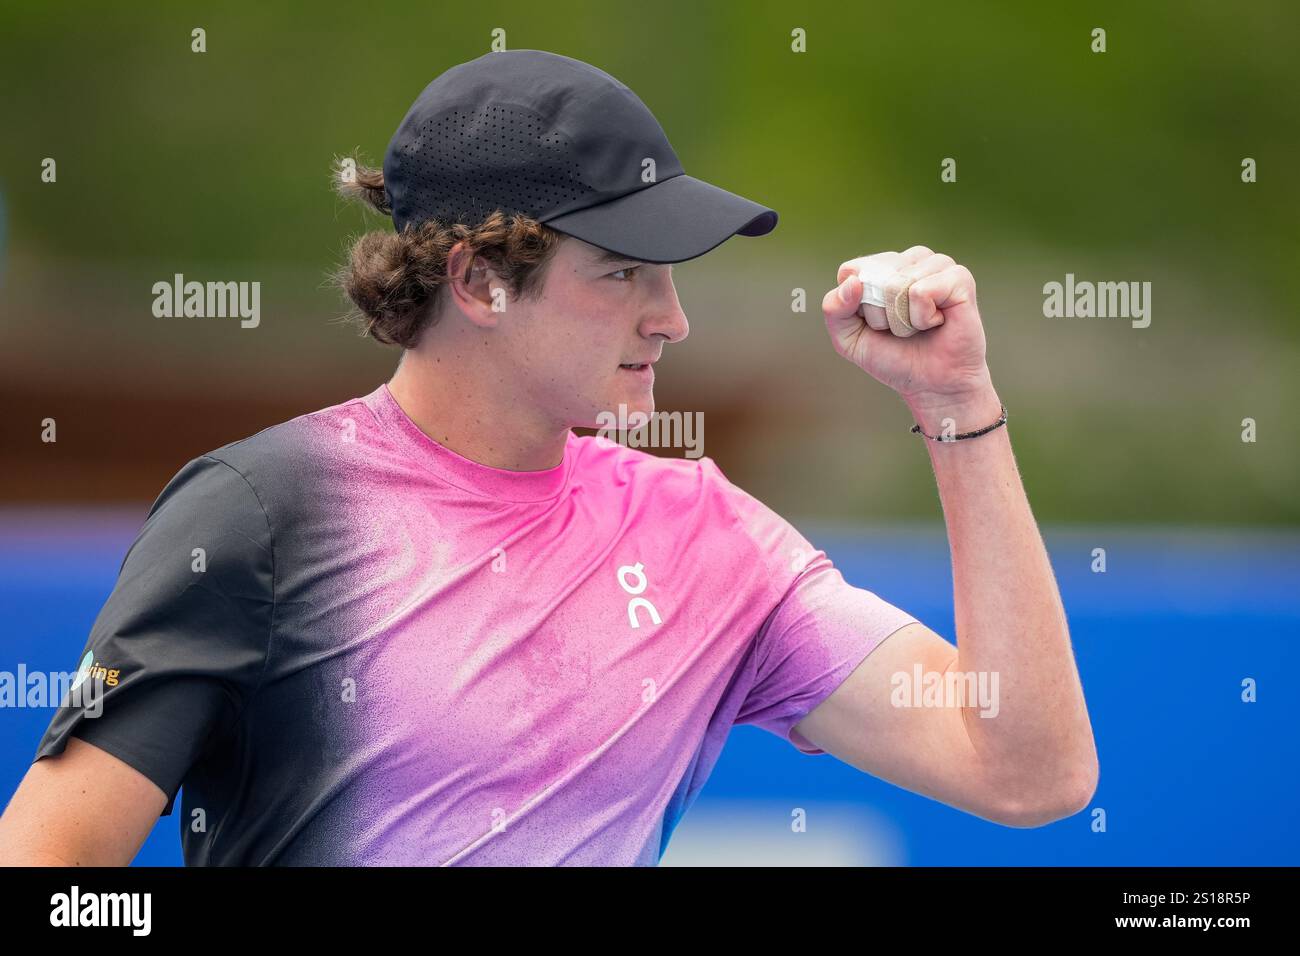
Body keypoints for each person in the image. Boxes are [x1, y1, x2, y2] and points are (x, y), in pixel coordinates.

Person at [0, 49, 1096, 866]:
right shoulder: (259, 509)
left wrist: (958, 406)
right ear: (479, 280)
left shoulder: (708, 537)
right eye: (624, 271)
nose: (671, 320)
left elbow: (1028, 771)